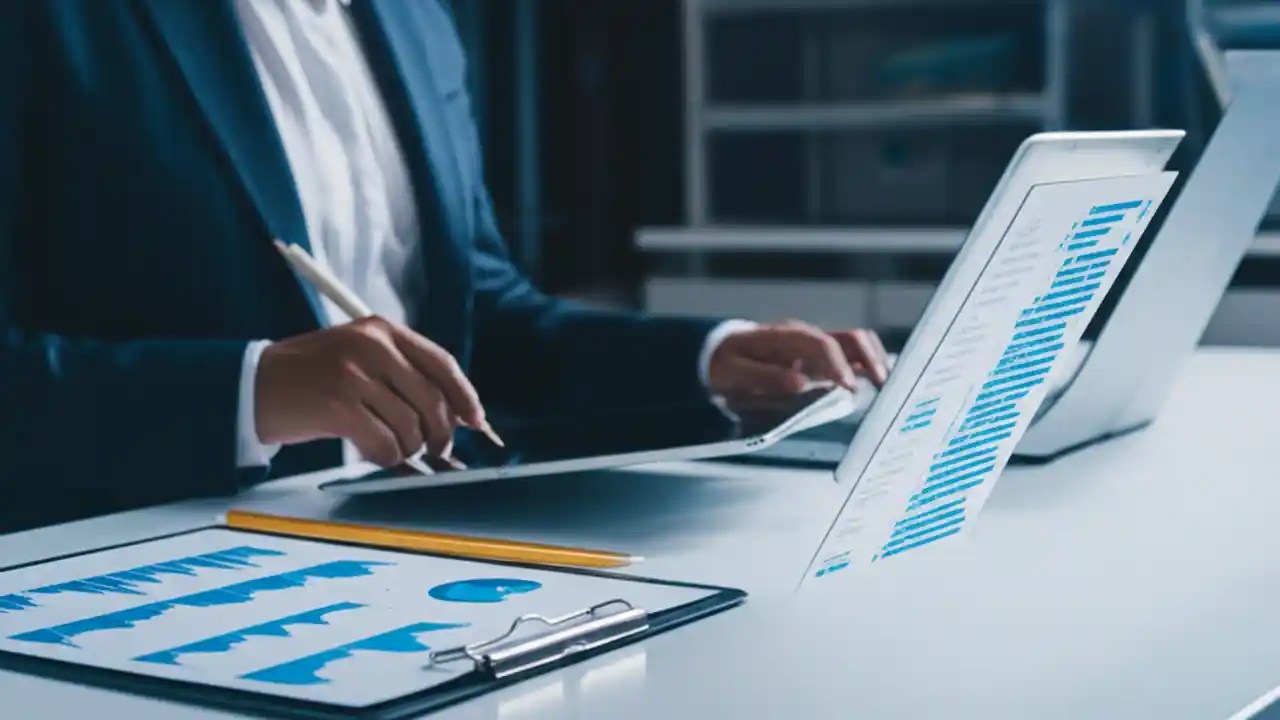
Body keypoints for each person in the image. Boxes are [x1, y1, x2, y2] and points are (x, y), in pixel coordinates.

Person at [0, 0, 888, 533]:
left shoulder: (414, 22)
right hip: (157, 565)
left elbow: (484, 322)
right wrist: (249, 390)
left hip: (434, 546)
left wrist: (712, 358)